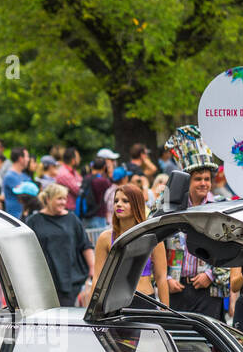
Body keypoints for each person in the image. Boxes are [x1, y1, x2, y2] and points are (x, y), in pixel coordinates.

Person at [162, 126, 231, 320]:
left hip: (208, 291)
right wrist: (166, 278)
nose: (203, 183)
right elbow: (156, 243)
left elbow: (228, 247)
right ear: (187, 181)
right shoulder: (172, 206)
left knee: (207, 346)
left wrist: (211, 275)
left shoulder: (219, 208)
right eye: (198, 179)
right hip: (177, 289)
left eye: (207, 179)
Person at [86, 183, 168, 307]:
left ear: (136, 204)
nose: (118, 204)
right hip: (113, 303)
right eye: (116, 201)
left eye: (125, 201)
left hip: (145, 301)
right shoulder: (105, 238)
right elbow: (97, 278)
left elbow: (161, 277)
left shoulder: (153, 237)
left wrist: (165, 311)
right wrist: (93, 308)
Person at [24, 184, 94, 307]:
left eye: (64, 198)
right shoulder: (33, 221)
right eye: (59, 198)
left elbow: (85, 245)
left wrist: (93, 269)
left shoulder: (72, 219)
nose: (63, 202)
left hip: (69, 278)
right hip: (44, 279)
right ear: (47, 199)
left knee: (65, 315)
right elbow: (26, 250)